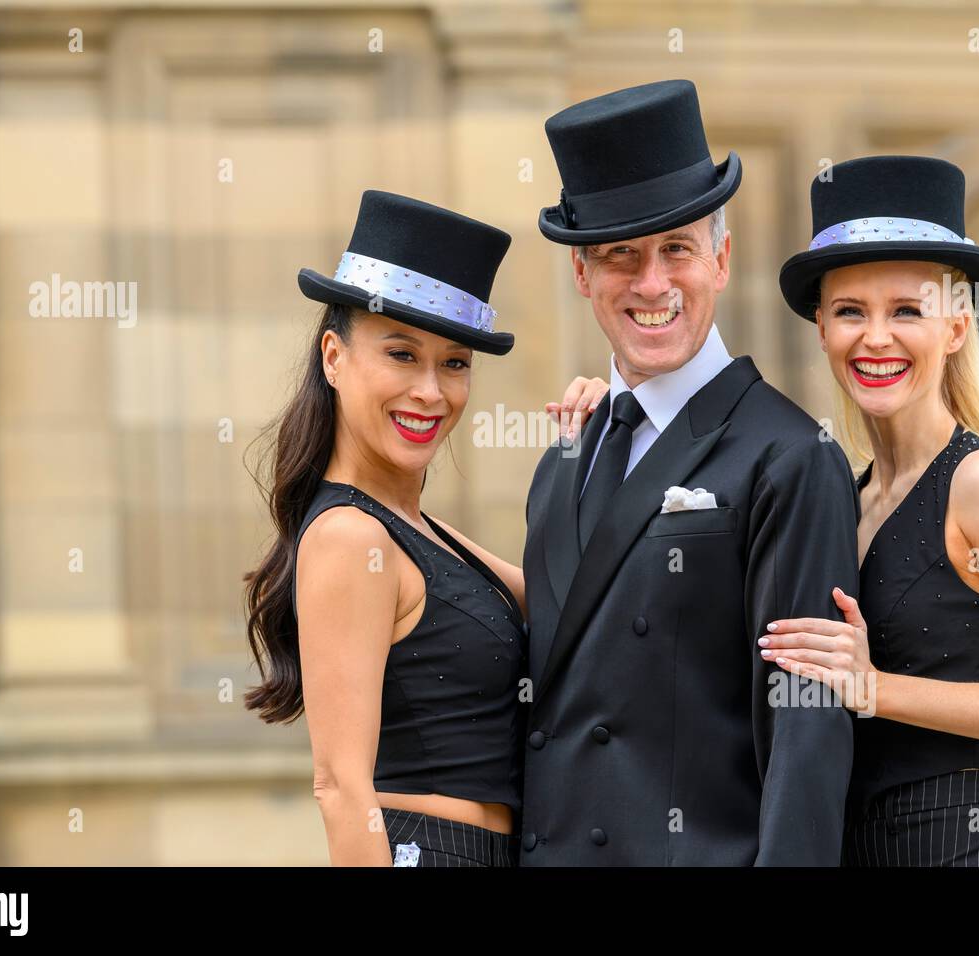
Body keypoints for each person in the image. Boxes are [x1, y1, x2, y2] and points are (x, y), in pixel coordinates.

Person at [519, 79, 862, 865]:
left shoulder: (791, 456)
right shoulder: (560, 460)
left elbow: (805, 732)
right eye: (620, 256)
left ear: (721, 258)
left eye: (677, 248)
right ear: (582, 274)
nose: (651, 283)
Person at [766, 155, 979, 865]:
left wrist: (876, 688)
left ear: (955, 327)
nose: (875, 338)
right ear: (823, 330)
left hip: (960, 842)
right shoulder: (846, 496)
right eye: (849, 312)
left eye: (906, 311)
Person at [242, 190, 607, 866]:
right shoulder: (351, 538)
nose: (430, 392)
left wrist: (602, 444)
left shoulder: (420, 532)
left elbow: (578, 610)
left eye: (455, 363)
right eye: (402, 354)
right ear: (333, 356)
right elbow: (342, 790)